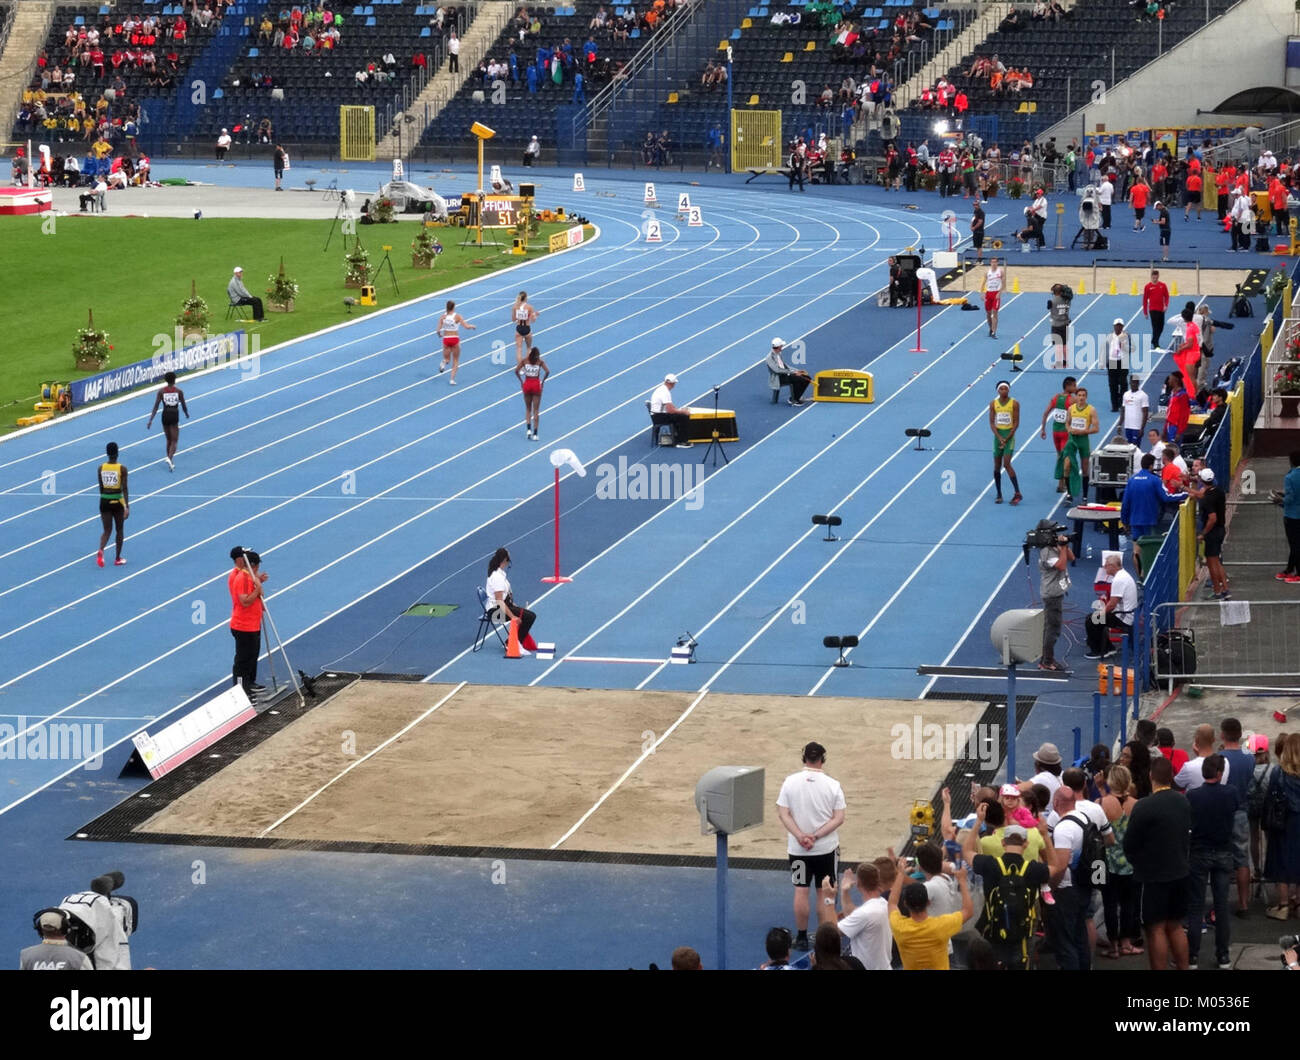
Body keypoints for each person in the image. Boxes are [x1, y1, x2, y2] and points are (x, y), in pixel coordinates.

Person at [776, 741, 846, 952]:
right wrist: (815, 836)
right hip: (825, 849)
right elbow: (839, 818)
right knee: (825, 893)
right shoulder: (833, 785)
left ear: (804, 758)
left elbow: (783, 812)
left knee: (801, 890)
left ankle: (802, 937)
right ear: (822, 760)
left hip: (798, 850)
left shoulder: (789, 782)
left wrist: (800, 836)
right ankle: (827, 939)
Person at [1125, 754, 1192, 969]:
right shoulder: (1183, 801)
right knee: (1176, 926)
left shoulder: (1144, 806)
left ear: (1151, 775)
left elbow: (1130, 844)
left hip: (1152, 877)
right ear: (1172, 776)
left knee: (1155, 929)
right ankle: (1183, 966)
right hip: (1180, 872)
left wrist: (1138, 864)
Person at [964, 809, 1050, 969]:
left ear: (1003, 843)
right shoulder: (1033, 869)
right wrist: (1045, 836)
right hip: (1022, 935)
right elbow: (1056, 866)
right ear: (1026, 843)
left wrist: (978, 822)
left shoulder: (990, 865)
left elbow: (967, 851)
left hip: (994, 933)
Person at [1185, 754, 1239, 968]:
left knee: (1196, 906)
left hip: (1199, 852)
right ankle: (1223, 954)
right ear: (1219, 773)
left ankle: (1192, 956)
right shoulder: (1231, 793)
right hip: (1223, 852)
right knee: (1221, 905)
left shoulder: (1192, 796)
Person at [886, 853, 973, 970]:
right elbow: (968, 911)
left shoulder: (899, 927)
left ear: (905, 904)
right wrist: (962, 881)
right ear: (928, 903)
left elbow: (892, 903)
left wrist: (901, 873)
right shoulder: (941, 925)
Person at [1098, 764, 1144, 959]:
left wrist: (1100, 790)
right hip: (1131, 862)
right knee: (1129, 904)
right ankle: (1127, 942)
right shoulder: (1137, 805)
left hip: (1107, 862)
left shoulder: (1101, 803)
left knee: (1109, 903)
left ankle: (1113, 945)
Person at [1120, 454, 1186, 573]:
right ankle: (1148, 576)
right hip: (1150, 521)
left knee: (1136, 550)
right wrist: (1185, 494)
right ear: (1151, 466)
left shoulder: (1132, 480)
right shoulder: (1155, 480)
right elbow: (1166, 497)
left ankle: (1140, 576)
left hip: (1135, 521)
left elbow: (1125, 503)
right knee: (1149, 549)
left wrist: (1124, 521)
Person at [1218, 718, 1255, 918]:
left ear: (1222, 735)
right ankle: (1243, 904)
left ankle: (1221, 902)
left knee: (1222, 859)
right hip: (1242, 811)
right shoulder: (1249, 757)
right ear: (1240, 734)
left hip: (1223, 813)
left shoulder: (1220, 758)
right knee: (1242, 859)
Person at [830, 860, 893, 969]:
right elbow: (856, 917)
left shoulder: (864, 914)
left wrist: (828, 900)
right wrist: (845, 892)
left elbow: (831, 932)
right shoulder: (884, 904)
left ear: (858, 883)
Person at [1264, 732, 1300, 920]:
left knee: (1282, 860)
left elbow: (1271, 798)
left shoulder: (1278, 772)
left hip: (1284, 822)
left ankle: (1283, 905)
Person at [228, 546, 267, 698]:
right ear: (252, 565)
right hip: (243, 625)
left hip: (253, 623)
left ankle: (249, 683)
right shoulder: (241, 578)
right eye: (257, 566)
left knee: (252, 656)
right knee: (243, 660)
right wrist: (257, 588)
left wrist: (258, 583)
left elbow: (260, 592)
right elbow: (244, 601)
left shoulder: (250, 577)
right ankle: (239, 688)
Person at [1036, 518, 1073, 671]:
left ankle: (1045, 658)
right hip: (1052, 594)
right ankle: (1047, 661)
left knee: (1050, 627)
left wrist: (1065, 545)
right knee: (1053, 629)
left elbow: (1072, 558)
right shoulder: (1046, 552)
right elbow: (1061, 565)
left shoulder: (1055, 548)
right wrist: (1062, 548)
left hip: (1056, 592)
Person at [1085, 551, 1137, 659]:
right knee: (1094, 617)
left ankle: (1098, 650)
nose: (1104, 567)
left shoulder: (1118, 580)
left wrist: (1099, 614)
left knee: (1091, 620)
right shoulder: (1123, 574)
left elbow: (1112, 605)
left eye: (1106, 565)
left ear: (1112, 566)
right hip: (1127, 613)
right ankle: (1108, 647)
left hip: (1123, 617)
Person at [485, 546, 537, 653]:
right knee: (530, 617)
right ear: (505, 560)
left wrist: (514, 606)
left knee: (527, 614)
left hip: (502, 607)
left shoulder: (500, 574)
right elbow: (499, 601)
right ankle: (512, 643)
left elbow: (505, 597)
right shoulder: (497, 577)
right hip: (496, 613)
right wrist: (513, 616)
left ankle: (513, 641)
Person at [1194, 467, 1229, 599]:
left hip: (1212, 533)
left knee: (1211, 563)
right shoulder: (1219, 492)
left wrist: (1203, 533)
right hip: (1221, 530)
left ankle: (1218, 591)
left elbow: (1212, 518)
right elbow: (1202, 494)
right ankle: (1225, 588)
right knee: (1217, 562)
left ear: (1202, 481)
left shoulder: (1207, 499)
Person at [1040, 375, 1077, 494]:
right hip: (1065, 433)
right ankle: (1063, 484)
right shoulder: (1072, 400)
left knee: (1059, 456)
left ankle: (1060, 483)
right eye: (1074, 385)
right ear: (1068, 386)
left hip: (1055, 432)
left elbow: (1046, 413)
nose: (1076, 388)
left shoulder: (1055, 397)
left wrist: (1043, 429)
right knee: (1067, 459)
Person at [145, 370, 189, 471]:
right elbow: (183, 405)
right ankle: (169, 458)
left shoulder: (161, 391)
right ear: (175, 380)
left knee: (168, 440)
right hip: (174, 415)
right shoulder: (178, 391)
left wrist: (150, 420)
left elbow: (156, 406)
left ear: (166, 380)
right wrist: (186, 413)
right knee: (174, 441)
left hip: (165, 415)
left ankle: (170, 462)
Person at [1061, 385, 1098, 503]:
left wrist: (1082, 431)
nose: (1081, 398)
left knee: (1085, 469)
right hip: (1072, 440)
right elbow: (1067, 423)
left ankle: (1085, 496)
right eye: (1079, 395)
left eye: (1083, 396)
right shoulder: (1071, 408)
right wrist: (1069, 429)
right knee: (1067, 466)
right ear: (1076, 397)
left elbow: (1096, 429)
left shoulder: (1091, 410)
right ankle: (1069, 494)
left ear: (1086, 397)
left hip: (1083, 441)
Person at [95, 441, 129, 568]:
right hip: (117, 501)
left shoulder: (101, 468)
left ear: (107, 454)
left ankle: (101, 550)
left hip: (104, 500)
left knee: (106, 530)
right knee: (119, 530)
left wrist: (104, 499)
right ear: (117, 453)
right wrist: (126, 506)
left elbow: (101, 487)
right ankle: (117, 558)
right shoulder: (122, 468)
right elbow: (124, 488)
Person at [988, 380, 1021, 504]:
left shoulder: (1014, 403)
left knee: (1006, 464)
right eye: (1001, 389)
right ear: (998, 391)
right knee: (997, 466)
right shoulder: (993, 404)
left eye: (1005, 389)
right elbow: (992, 422)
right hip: (998, 437)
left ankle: (1017, 492)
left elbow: (1016, 422)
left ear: (1009, 390)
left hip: (1009, 436)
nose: (1003, 391)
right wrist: (998, 436)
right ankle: (999, 493)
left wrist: (1007, 438)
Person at [436, 299, 476, 384]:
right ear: (453, 307)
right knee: (455, 360)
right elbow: (466, 326)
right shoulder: (457, 316)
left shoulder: (443, 316)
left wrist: (439, 335)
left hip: (446, 339)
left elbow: (438, 330)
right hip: (454, 339)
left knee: (447, 359)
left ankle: (444, 362)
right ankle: (452, 379)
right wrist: (472, 326)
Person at [649, 372, 692, 448]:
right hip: (659, 417)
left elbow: (670, 407)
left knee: (678, 415)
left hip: (656, 415)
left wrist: (678, 410)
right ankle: (681, 441)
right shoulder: (665, 392)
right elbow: (670, 410)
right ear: (673, 383)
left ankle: (677, 436)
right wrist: (683, 411)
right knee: (684, 417)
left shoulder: (661, 389)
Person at [515, 346, 549, 442]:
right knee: (536, 410)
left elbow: (516, 371)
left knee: (528, 409)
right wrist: (543, 381)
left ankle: (528, 430)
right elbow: (547, 371)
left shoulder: (525, 361)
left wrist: (521, 381)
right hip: (536, 385)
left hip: (527, 384)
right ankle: (535, 434)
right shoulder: (540, 362)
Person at [767, 337, 811, 406]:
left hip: (786, 374)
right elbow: (777, 370)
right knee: (800, 379)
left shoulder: (779, 353)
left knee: (807, 377)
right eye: (781, 346)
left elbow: (784, 365)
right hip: (779, 378)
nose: (782, 347)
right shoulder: (769, 358)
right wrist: (794, 373)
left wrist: (797, 370)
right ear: (778, 347)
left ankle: (797, 396)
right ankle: (794, 400)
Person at [1279, 450, 1300, 582]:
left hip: (1292, 515)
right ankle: (1290, 569)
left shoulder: (1290, 477)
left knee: (1295, 545)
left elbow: (1291, 497)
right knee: (1296, 544)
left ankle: (1297, 573)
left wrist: (1281, 500)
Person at [1143, 269, 1170, 348]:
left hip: (1161, 309)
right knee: (1155, 327)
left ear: (1158, 277)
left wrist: (1166, 305)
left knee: (1161, 327)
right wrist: (1145, 312)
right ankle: (1156, 343)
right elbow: (1145, 300)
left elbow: (1167, 296)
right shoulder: (1148, 287)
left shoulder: (1163, 285)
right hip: (1152, 309)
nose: (1155, 279)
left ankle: (1154, 339)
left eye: (1156, 277)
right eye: (1153, 278)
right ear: (1151, 277)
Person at [510, 290, 538, 364]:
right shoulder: (529, 307)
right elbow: (533, 320)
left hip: (519, 328)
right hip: (527, 329)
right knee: (528, 348)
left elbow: (513, 320)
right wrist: (536, 315)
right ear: (525, 298)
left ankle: (520, 368)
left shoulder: (515, 307)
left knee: (519, 349)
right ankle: (527, 365)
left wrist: (519, 316)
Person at [1120, 374, 1149, 446]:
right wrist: (1119, 425)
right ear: (1129, 382)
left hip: (1137, 427)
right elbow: (1123, 410)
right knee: (1128, 448)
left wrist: (1142, 428)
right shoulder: (1126, 394)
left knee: (1135, 448)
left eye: (1135, 382)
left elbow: (1145, 413)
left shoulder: (1143, 395)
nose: (1133, 384)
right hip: (1127, 426)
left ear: (1138, 383)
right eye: (1132, 382)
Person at [981, 255, 1003, 338]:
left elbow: (1003, 283)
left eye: (995, 262)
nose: (994, 264)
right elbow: (983, 283)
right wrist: (982, 293)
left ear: (997, 263)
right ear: (990, 263)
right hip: (988, 293)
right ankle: (990, 329)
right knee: (988, 313)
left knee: (995, 312)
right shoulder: (987, 272)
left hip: (996, 293)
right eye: (992, 262)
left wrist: (1000, 292)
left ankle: (994, 332)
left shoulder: (1001, 272)